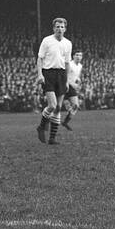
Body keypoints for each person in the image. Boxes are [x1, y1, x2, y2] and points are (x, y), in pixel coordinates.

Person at [35, 17, 72, 145]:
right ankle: (41, 126)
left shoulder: (68, 43)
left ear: (65, 29)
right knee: (52, 105)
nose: (59, 29)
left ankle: (52, 138)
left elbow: (67, 63)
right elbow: (40, 59)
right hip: (48, 73)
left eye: (62, 27)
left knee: (58, 108)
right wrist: (40, 74)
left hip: (61, 74)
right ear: (53, 28)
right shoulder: (47, 41)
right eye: (57, 26)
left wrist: (66, 81)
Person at [61, 50, 85, 130]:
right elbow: (64, 76)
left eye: (80, 55)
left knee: (76, 106)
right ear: (73, 56)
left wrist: (78, 80)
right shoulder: (69, 64)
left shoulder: (80, 66)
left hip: (72, 87)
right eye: (77, 55)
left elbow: (76, 76)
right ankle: (47, 121)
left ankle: (65, 122)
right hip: (64, 85)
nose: (78, 57)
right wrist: (72, 84)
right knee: (56, 106)